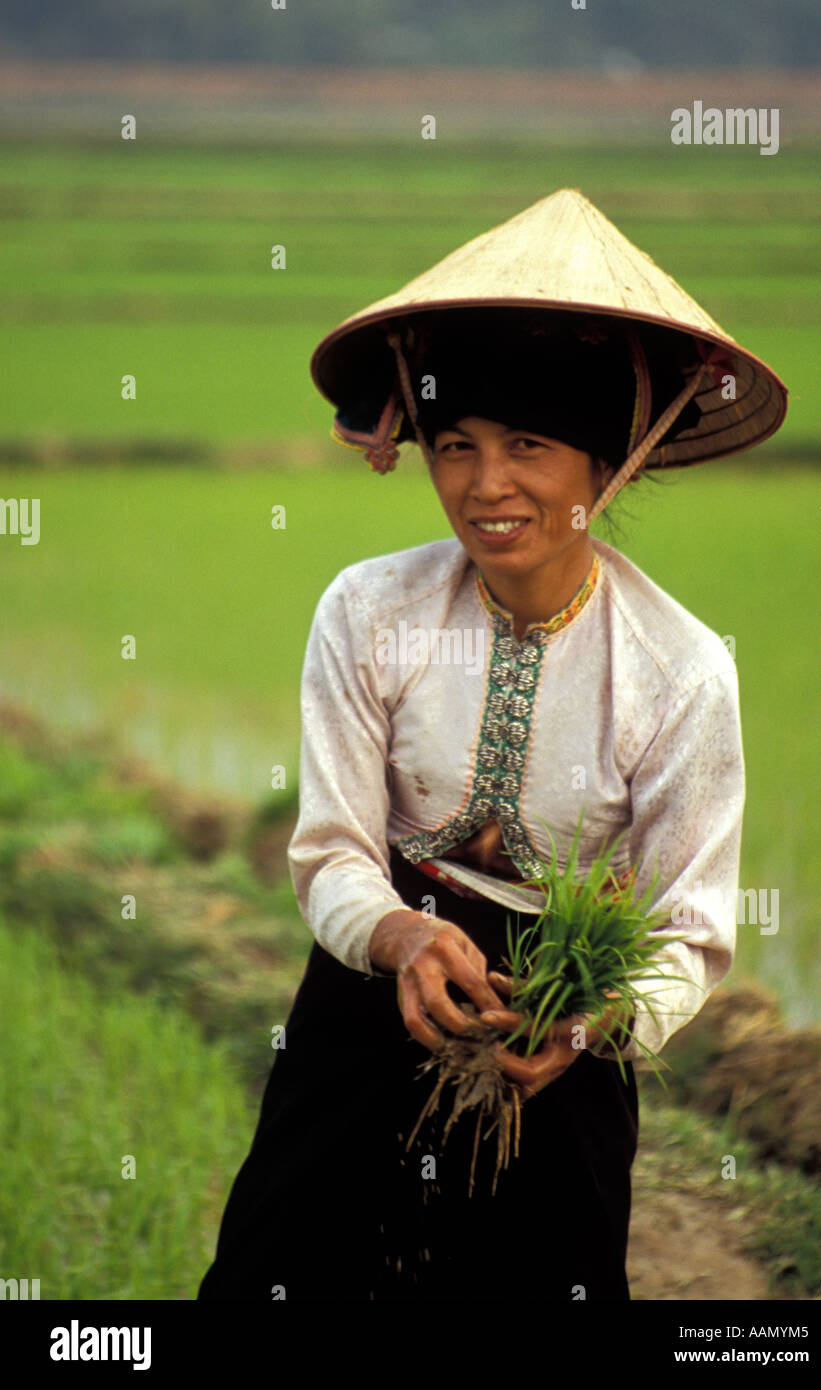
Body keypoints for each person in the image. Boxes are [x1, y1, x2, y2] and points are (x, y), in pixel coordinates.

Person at [197, 189, 787, 1302]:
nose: (484, 484)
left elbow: (691, 927)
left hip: (562, 1024)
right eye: (455, 444)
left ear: (603, 467)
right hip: (371, 996)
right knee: (283, 1270)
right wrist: (399, 939)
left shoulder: (678, 670)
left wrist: (593, 1018)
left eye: (528, 445)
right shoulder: (367, 613)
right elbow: (329, 852)